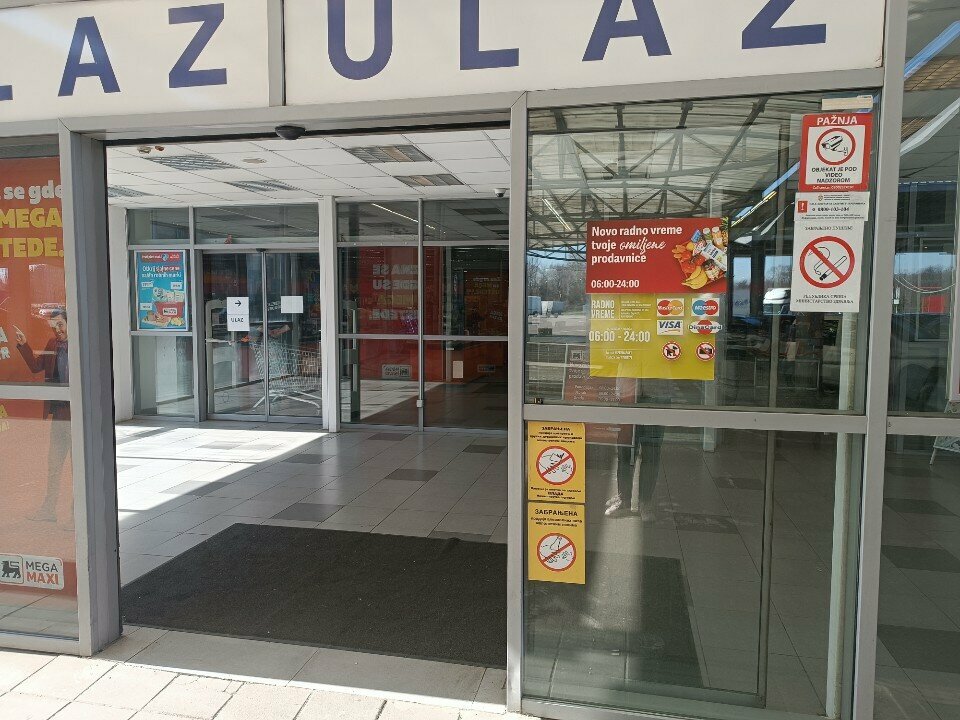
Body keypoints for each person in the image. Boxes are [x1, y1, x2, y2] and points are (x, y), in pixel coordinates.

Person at [15, 309, 70, 522]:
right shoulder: (52, 344)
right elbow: (36, 367)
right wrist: (24, 344)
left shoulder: (80, 346)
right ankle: (49, 510)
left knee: (78, 466)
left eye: (60, 324)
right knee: (54, 465)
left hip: (77, 414)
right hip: (59, 414)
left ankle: (76, 515)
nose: (57, 330)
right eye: (54, 326)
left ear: (69, 323)